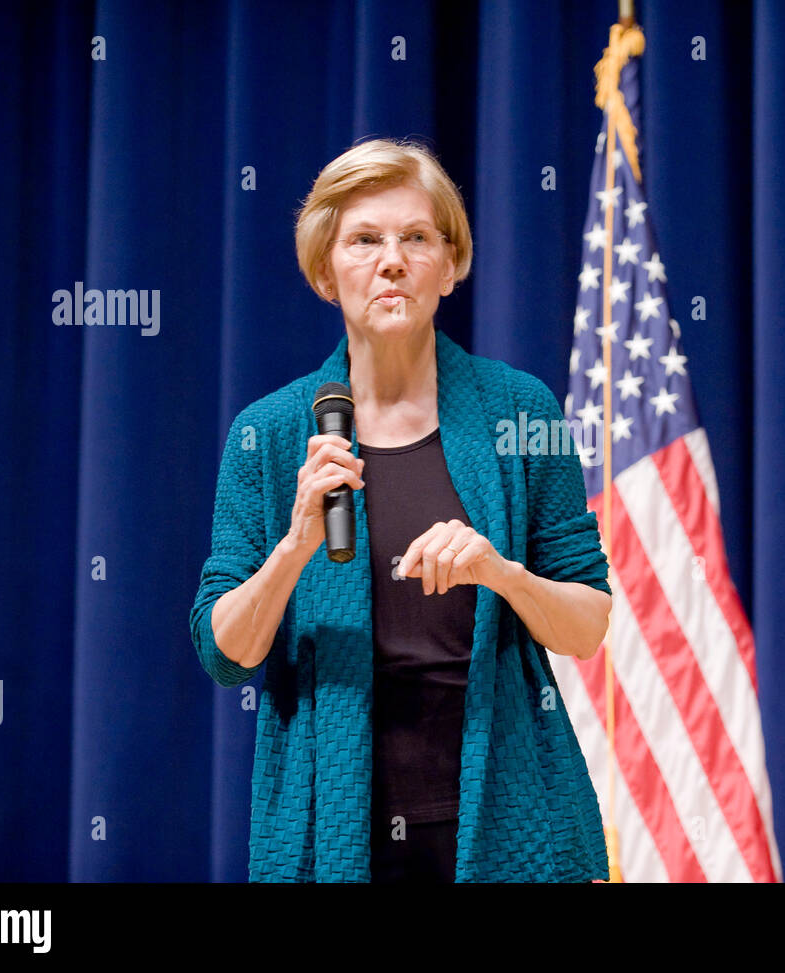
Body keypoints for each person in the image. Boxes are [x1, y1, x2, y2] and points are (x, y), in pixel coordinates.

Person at [189, 137, 613, 882]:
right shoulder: (269, 433)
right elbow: (226, 653)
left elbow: (588, 622)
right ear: (326, 272)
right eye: (364, 240)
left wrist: (501, 572)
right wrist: (293, 546)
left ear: (449, 265)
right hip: (331, 829)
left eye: (417, 237)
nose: (392, 260)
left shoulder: (521, 410)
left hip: (515, 819)